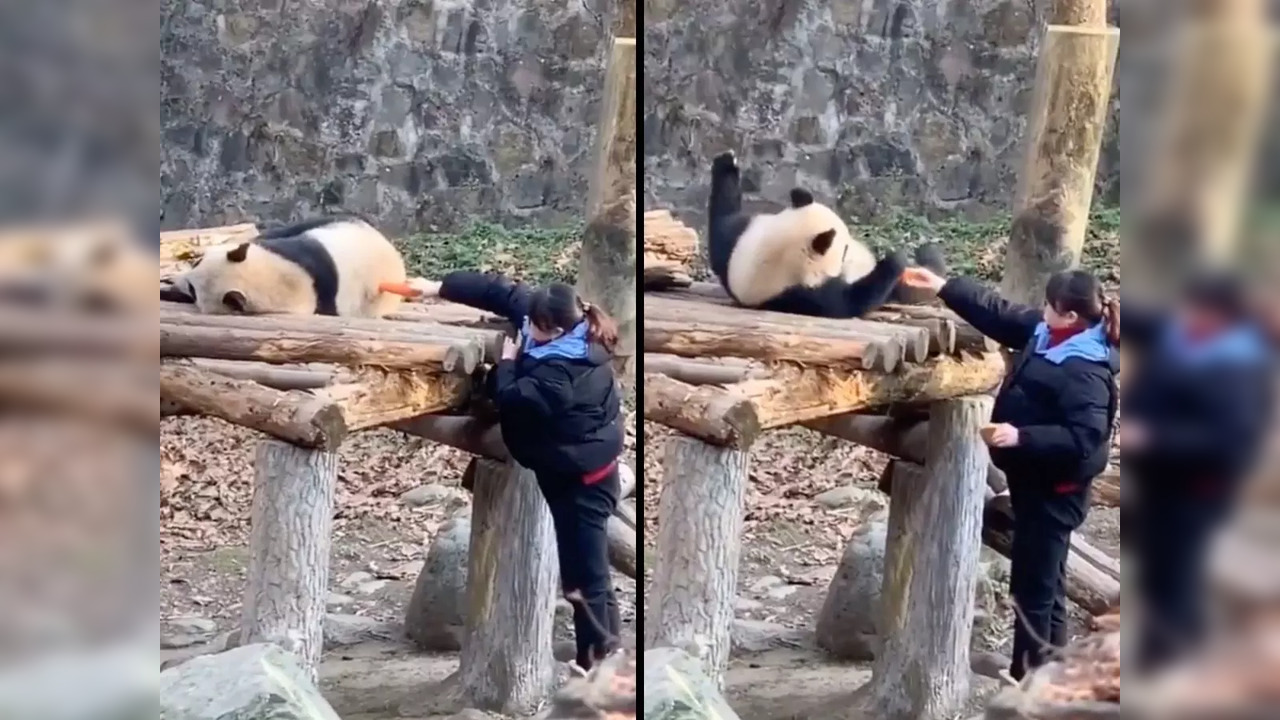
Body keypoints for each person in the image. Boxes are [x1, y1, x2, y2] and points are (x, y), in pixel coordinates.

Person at [900, 266, 1120, 680]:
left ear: (1069, 316)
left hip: (1057, 490)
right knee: (1047, 585)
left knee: (1033, 589)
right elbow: (1000, 313)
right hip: (1035, 481)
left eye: (1048, 306)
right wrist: (945, 287)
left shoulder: (1086, 370)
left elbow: (1084, 440)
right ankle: (1048, 675)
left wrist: (1021, 437)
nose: (1041, 310)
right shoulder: (1048, 334)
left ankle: (1028, 681)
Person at [411, 272, 624, 670]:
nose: (530, 332)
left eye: (537, 331)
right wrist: (437, 287)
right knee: (585, 576)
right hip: (566, 467)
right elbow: (502, 292)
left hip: (584, 482)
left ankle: (600, 669)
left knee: (585, 579)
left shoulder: (564, 374)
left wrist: (507, 364)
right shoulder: (546, 319)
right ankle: (603, 661)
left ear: (559, 329)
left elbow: (510, 397)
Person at [1119, 270, 1274, 673]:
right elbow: (1147, 322)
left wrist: (1154, 439)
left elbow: (1225, 441)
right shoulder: (1188, 337)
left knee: (1177, 578)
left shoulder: (1238, 367)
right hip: (1161, 482)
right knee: (1154, 573)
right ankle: (1159, 654)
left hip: (1198, 487)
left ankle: (1174, 664)